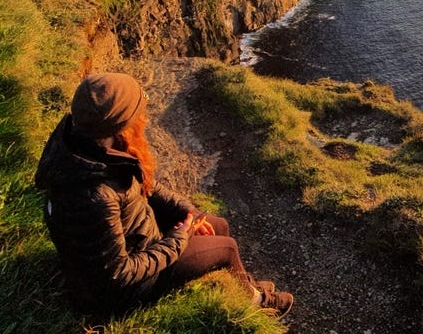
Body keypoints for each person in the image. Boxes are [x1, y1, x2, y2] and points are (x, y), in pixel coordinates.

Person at [34, 72, 293, 317]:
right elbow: (118, 274)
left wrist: (188, 213)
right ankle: (257, 302)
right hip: (124, 291)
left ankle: (243, 283)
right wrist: (178, 238)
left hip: (138, 237)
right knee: (227, 248)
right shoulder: (94, 196)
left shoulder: (94, 147)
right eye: (138, 113)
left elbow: (147, 188)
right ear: (121, 126)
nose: (143, 118)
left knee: (217, 224)